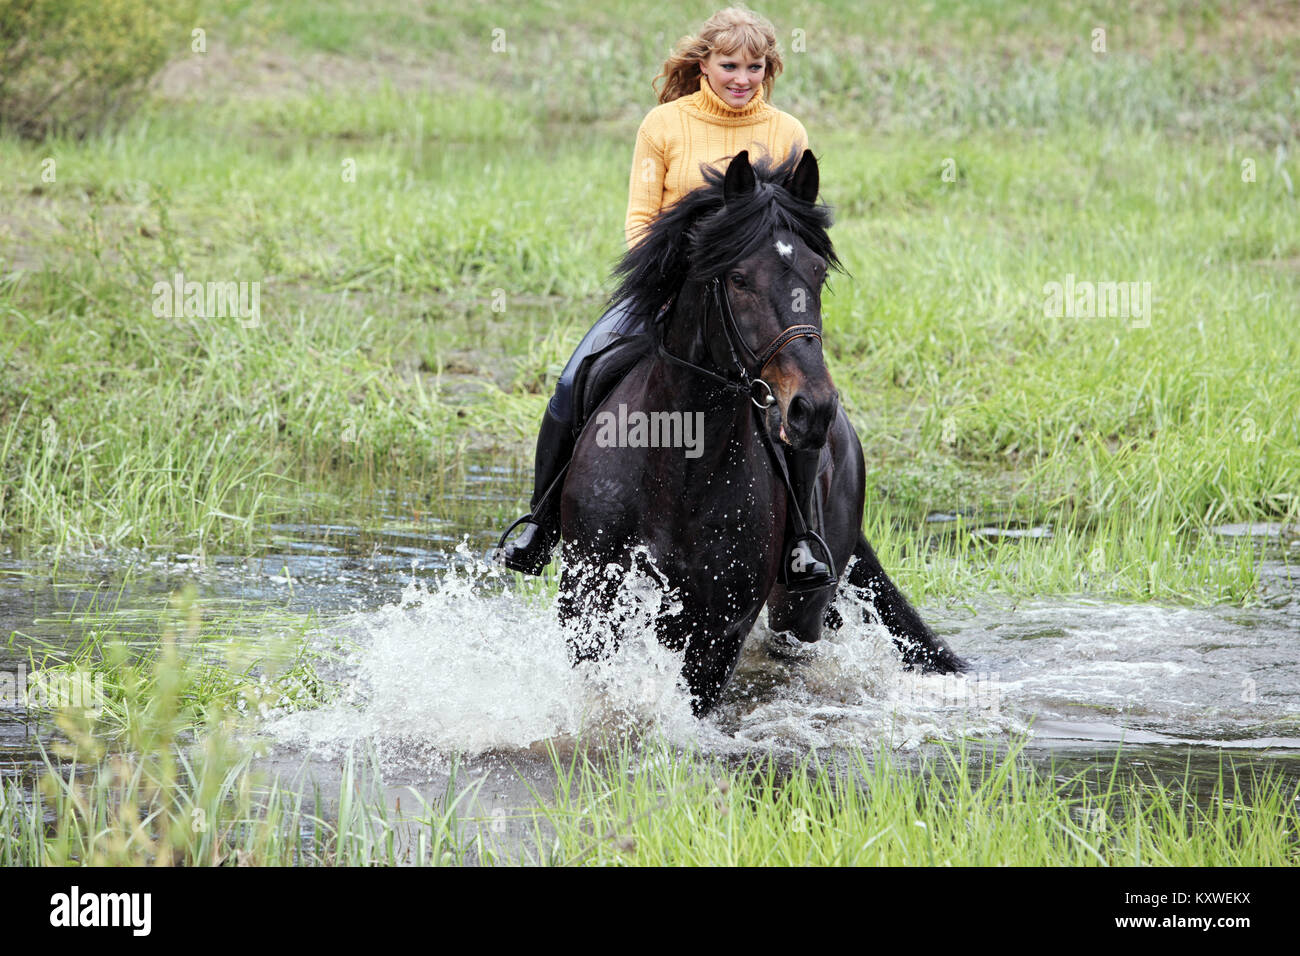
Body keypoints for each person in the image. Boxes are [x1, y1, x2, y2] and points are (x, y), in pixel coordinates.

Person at [496, 5, 833, 591]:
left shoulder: (787, 132)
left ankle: (801, 535)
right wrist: (667, 288)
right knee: (577, 379)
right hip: (668, 293)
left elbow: (791, 234)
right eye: (729, 64)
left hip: (754, 301)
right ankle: (541, 521)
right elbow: (640, 220)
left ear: (769, 68)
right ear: (703, 63)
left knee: (810, 398)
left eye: (755, 67)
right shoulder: (665, 125)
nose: (741, 78)